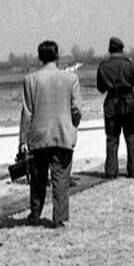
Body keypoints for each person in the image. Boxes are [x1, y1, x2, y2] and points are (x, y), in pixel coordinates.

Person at [18, 40, 82, 227]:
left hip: (39, 136)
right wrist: (72, 125)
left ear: (40, 57)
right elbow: (77, 108)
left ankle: (35, 214)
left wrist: (22, 139)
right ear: (57, 56)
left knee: (37, 179)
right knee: (61, 179)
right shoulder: (71, 79)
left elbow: (27, 113)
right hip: (63, 135)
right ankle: (59, 218)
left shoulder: (30, 80)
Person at [96, 37, 134, 178]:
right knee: (131, 138)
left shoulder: (103, 66)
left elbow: (100, 88)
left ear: (110, 49)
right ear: (122, 49)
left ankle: (111, 172)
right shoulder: (131, 64)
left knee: (112, 139)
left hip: (112, 103)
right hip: (129, 103)